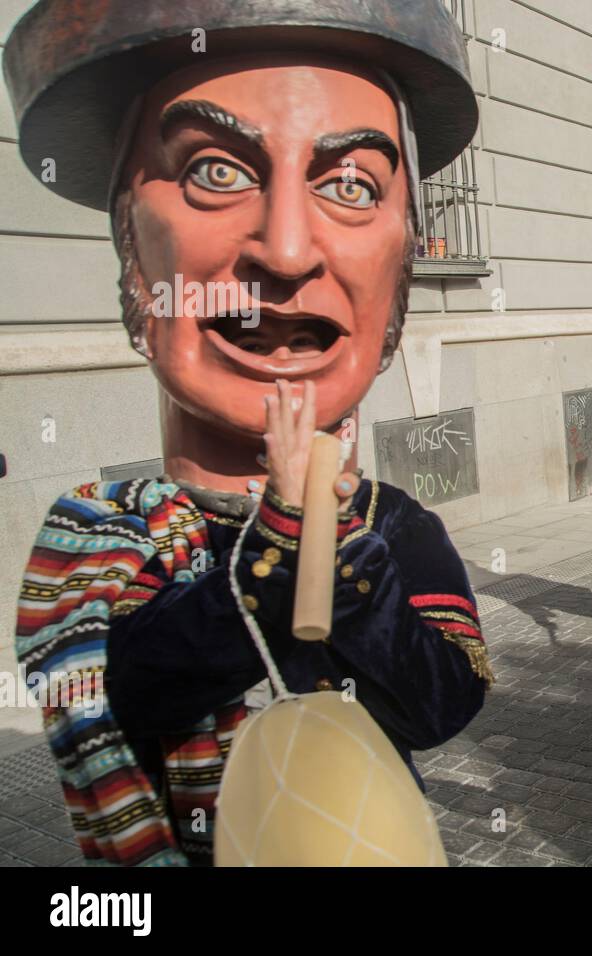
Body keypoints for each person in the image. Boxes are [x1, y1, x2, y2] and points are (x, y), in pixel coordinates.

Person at [8, 0, 490, 865]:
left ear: (404, 262)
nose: (288, 250)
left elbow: (440, 704)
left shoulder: (395, 526)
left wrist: (339, 548)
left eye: (351, 186)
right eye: (216, 172)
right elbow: (127, 699)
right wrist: (277, 536)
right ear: (129, 245)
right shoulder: (99, 534)